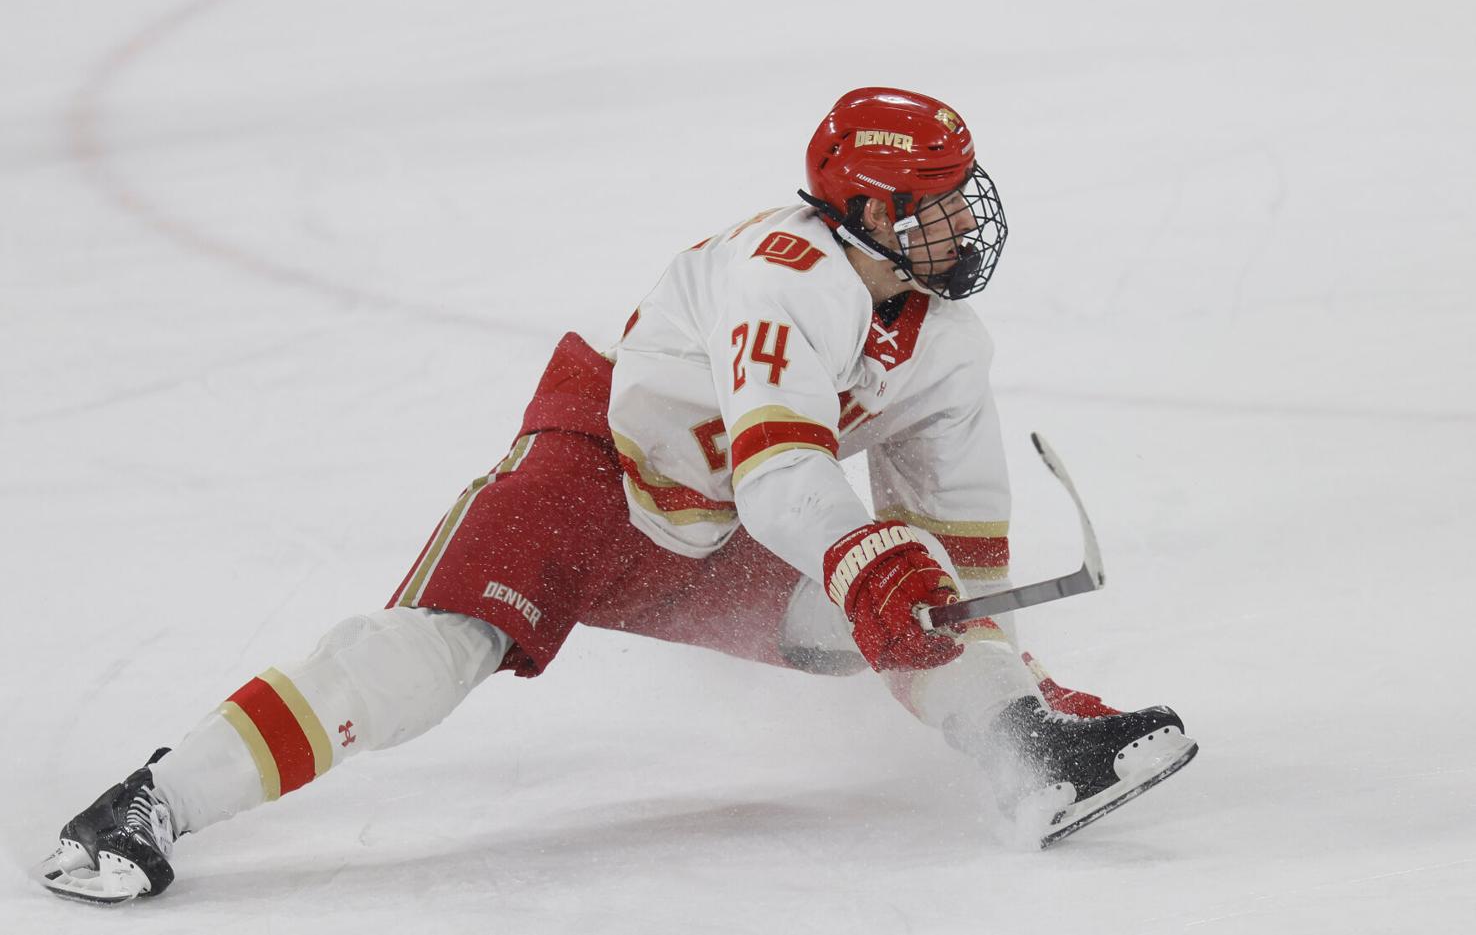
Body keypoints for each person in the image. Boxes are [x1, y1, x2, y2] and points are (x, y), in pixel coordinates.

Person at [37, 86, 1197, 905]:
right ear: (870, 212)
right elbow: (785, 473)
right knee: (427, 656)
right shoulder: (783, 275)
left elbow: (960, 557)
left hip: (725, 538)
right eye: (935, 202)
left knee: (898, 611)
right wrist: (876, 567)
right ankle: (151, 802)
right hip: (594, 481)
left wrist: (1014, 677)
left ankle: (1027, 754)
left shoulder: (947, 344)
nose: (964, 220)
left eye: (962, 193)